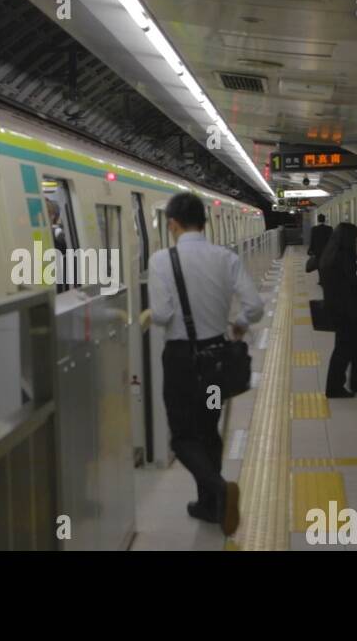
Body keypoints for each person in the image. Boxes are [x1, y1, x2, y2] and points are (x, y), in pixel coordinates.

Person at [145, 192, 264, 535]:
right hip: (215, 363)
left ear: (172, 224)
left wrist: (149, 314)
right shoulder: (225, 258)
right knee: (208, 427)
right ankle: (209, 505)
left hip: (182, 362)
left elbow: (165, 314)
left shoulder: (160, 261)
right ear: (205, 221)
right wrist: (239, 322)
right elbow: (254, 305)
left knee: (182, 436)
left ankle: (218, 489)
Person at [319, 222, 357, 398]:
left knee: (355, 346)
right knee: (346, 348)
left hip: (338, 308)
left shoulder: (329, 253)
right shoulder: (343, 256)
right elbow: (353, 280)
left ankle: (355, 383)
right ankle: (335, 387)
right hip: (346, 310)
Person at [308, 214, 332, 285]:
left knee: (319, 266)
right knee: (327, 265)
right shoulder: (329, 228)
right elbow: (332, 240)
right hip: (327, 250)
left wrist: (310, 249)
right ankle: (326, 279)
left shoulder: (314, 229)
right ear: (324, 220)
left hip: (317, 251)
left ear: (318, 220)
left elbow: (312, 240)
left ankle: (321, 280)